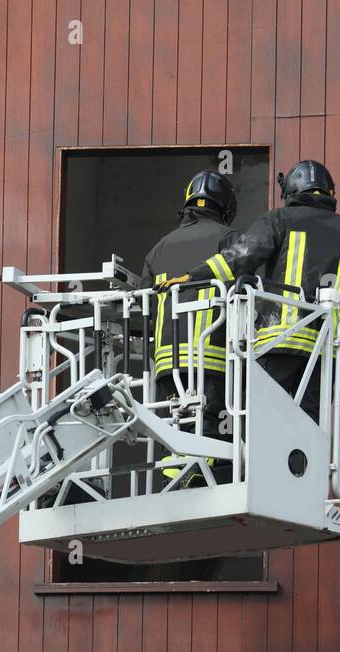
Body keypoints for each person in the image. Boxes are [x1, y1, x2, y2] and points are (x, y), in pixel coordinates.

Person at [160, 159, 340, 423]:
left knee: (257, 423)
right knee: (308, 426)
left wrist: (195, 275)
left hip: (279, 341)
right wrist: (336, 299)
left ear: (292, 192)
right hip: (324, 349)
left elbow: (241, 256)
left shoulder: (279, 220)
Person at [141, 169, 240, 449]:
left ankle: (173, 485)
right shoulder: (229, 239)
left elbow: (145, 305)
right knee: (215, 443)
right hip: (212, 362)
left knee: (173, 438)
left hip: (167, 363)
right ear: (226, 207)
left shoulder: (157, 250)